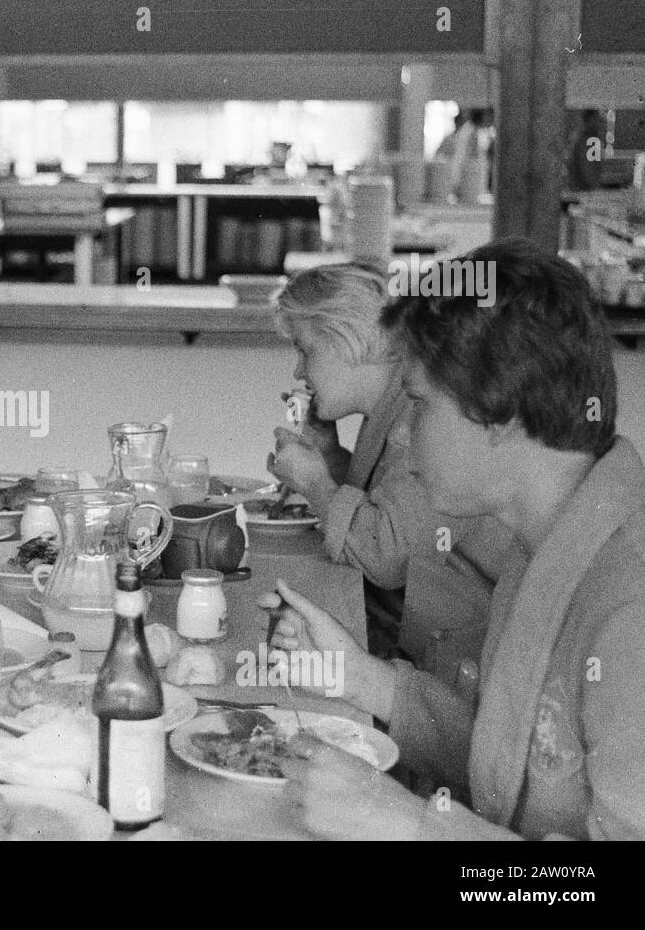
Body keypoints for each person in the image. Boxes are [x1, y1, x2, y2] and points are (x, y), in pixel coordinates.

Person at [272, 239, 645, 840]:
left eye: (418, 404)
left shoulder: (631, 608)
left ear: (498, 414)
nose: (405, 435)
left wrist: (403, 823)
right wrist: (360, 677)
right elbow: (510, 759)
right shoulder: (546, 544)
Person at [267, 262, 509, 660]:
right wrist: (327, 454)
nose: (298, 369)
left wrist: (316, 484)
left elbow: (385, 555)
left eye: (303, 349)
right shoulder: (390, 407)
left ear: (349, 337)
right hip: (418, 632)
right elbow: (382, 505)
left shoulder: (422, 412)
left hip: (461, 659)